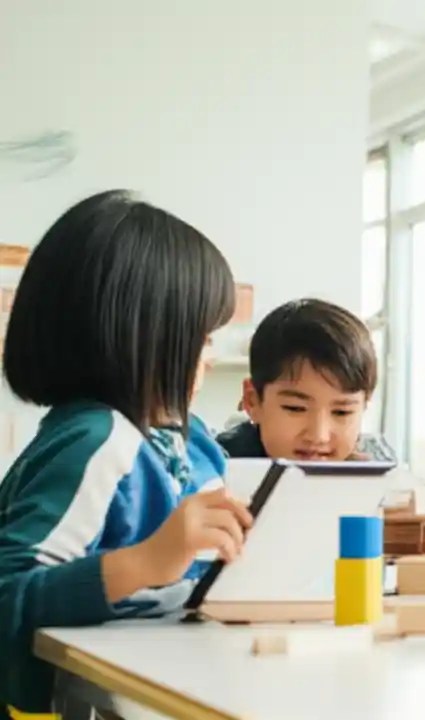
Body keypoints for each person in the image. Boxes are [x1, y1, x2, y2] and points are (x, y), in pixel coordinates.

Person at [0, 191, 253, 716]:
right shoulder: (99, 441)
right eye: (201, 337)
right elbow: (8, 599)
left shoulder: (196, 444)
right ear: (144, 335)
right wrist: (142, 563)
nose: (208, 357)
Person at [217, 298, 393, 463]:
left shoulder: (379, 469)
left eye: (342, 412)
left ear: (364, 406)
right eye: (296, 408)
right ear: (252, 401)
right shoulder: (213, 470)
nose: (319, 436)